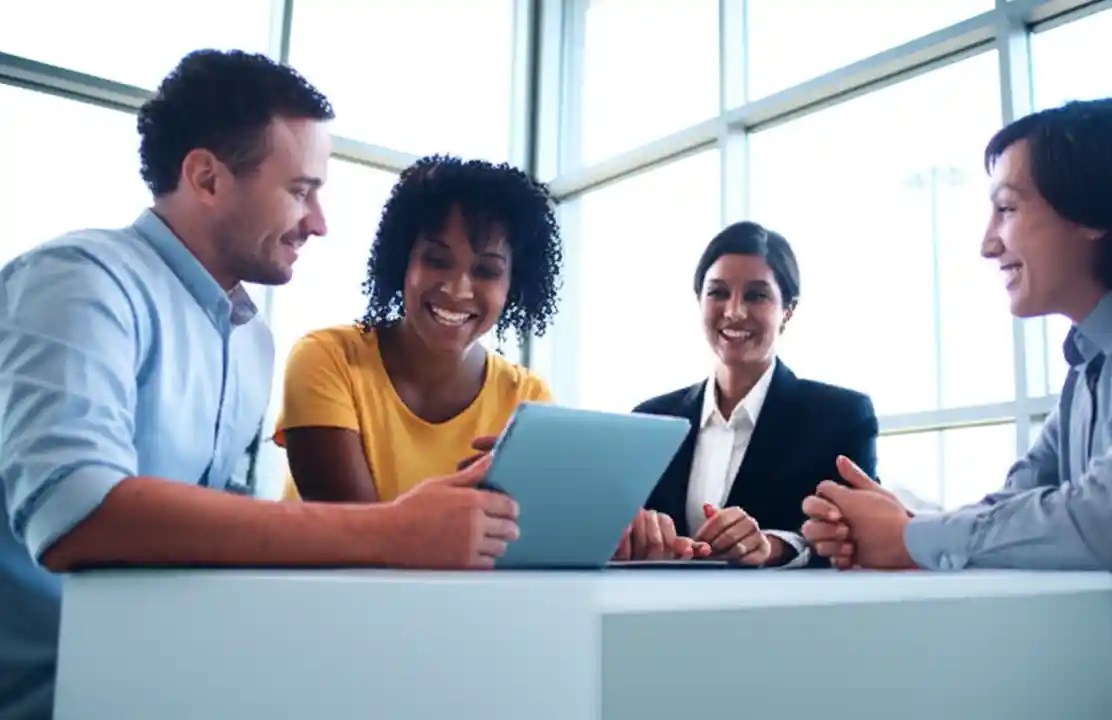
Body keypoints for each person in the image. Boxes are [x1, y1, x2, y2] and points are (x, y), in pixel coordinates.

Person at [0, 50, 519, 720]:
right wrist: (389, 531)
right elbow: (77, 514)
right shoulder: (79, 282)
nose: (320, 221)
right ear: (207, 178)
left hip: (169, 687)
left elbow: (223, 543)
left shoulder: (248, 337)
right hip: (50, 697)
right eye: (301, 190)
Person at [801, 98, 1112, 717]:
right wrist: (899, 525)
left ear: (1096, 211)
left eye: (1006, 208)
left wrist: (911, 537)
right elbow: (1020, 507)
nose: (986, 244)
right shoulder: (1089, 368)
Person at [273, 155, 561, 502]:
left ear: (514, 286)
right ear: (402, 262)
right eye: (437, 261)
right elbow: (352, 532)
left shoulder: (528, 398)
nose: (458, 289)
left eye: (486, 271)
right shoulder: (328, 358)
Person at [635, 221, 878, 567]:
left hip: (782, 617)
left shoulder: (839, 418)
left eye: (756, 295)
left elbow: (859, 540)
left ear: (788, 310)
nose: (734, 311)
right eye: (717, 292)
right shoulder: (650, 420)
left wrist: (774, 546)